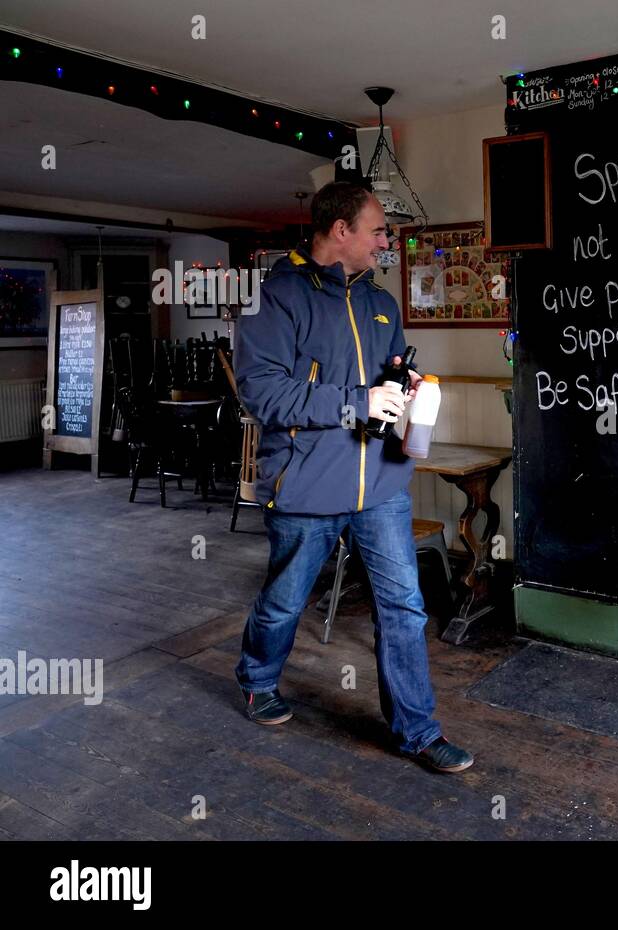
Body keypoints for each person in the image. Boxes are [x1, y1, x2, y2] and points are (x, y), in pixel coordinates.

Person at [233, 181, 472, 774]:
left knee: (404, 608)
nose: (386, 242)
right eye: (378, 231)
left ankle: (416, 731)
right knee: (286, 601)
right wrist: (355, 401)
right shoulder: (275, 299)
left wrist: (404, 383)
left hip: (382, 485)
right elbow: (263, 393)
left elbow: (388, 371)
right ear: (341, 231)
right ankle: (258, 677)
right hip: (307, 485)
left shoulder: (381, 301)